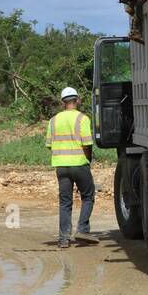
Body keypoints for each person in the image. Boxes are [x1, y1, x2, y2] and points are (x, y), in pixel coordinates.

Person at [45, 87, 96, 248]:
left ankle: (63, 239)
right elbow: (87, 143)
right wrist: (87, 160)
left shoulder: (53, 121)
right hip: (80, 164)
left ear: (63, 103)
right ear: (77, 100)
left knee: (65, 202)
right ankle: (82, 230)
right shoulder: (83, 118)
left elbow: (49, 145)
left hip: (61, 167)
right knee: (88, 196)